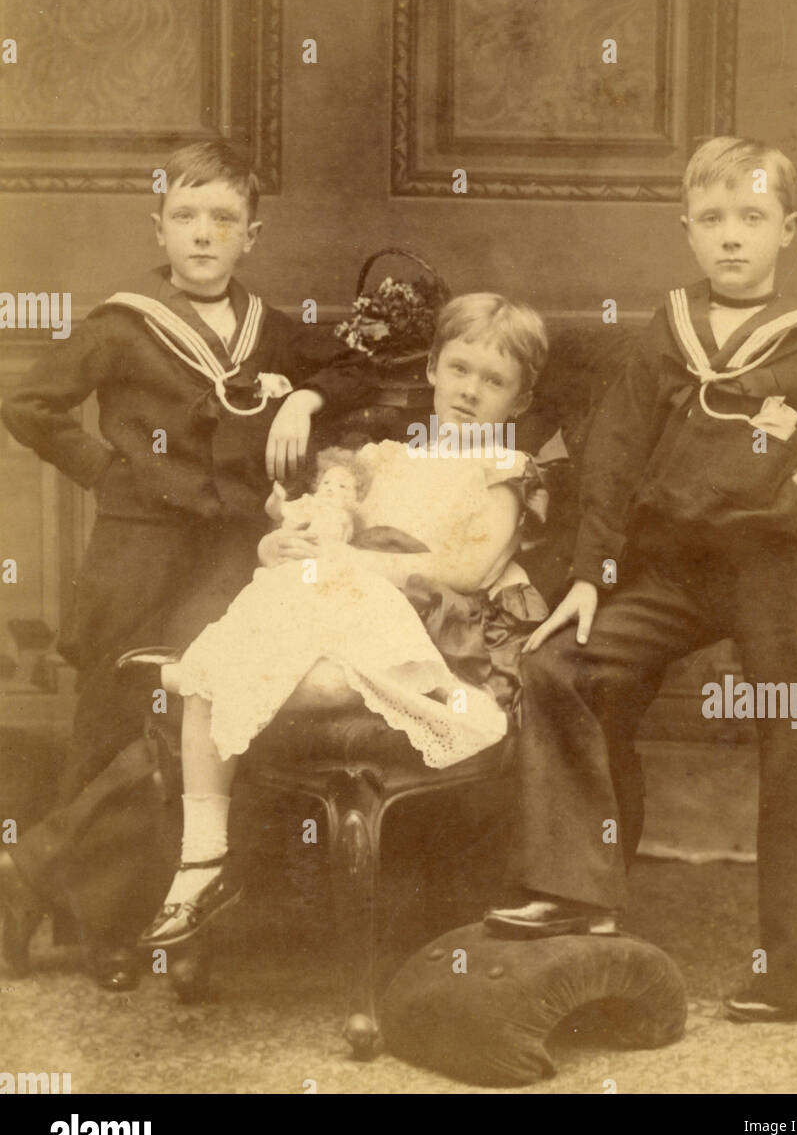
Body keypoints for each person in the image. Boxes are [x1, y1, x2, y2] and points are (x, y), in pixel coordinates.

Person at [485, 136, 797, 1022]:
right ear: (687, 230)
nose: (732, 237)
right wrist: (589, 576)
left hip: (766, 571)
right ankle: (580, 893)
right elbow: (609, 458)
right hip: (666, 570)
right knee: (561, 668)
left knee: (792, 735)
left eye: (752, 218)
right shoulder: (667, 332)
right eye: (714, 219)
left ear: (787, 230)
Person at [0, 140, 372, 988]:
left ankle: (38, 878)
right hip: (137, 548)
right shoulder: (120, 326)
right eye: (185, 217)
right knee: (111, 718)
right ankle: (91, 924)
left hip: (230, 554)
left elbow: (357, 365)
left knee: (179, 721)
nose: (204, 235)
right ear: (158, 228)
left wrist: (308, 395)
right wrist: (111, 472)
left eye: (224, 220)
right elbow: (28, 403)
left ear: (252, 234)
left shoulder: (269, 330)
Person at [137, 292, 551, 948]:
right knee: (285, 600)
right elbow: (326, 525)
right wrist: (283, 543)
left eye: (495, 381)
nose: (471, 392)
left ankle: (206, 828)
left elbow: (467, 569)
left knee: (227, 675)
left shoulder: (504, 469)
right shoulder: (383, 459)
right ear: (432, 372)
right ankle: (203, 858)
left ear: (520, 403)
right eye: (459, 370)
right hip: (342, 610)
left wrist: (347, 559)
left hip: (432, 632)